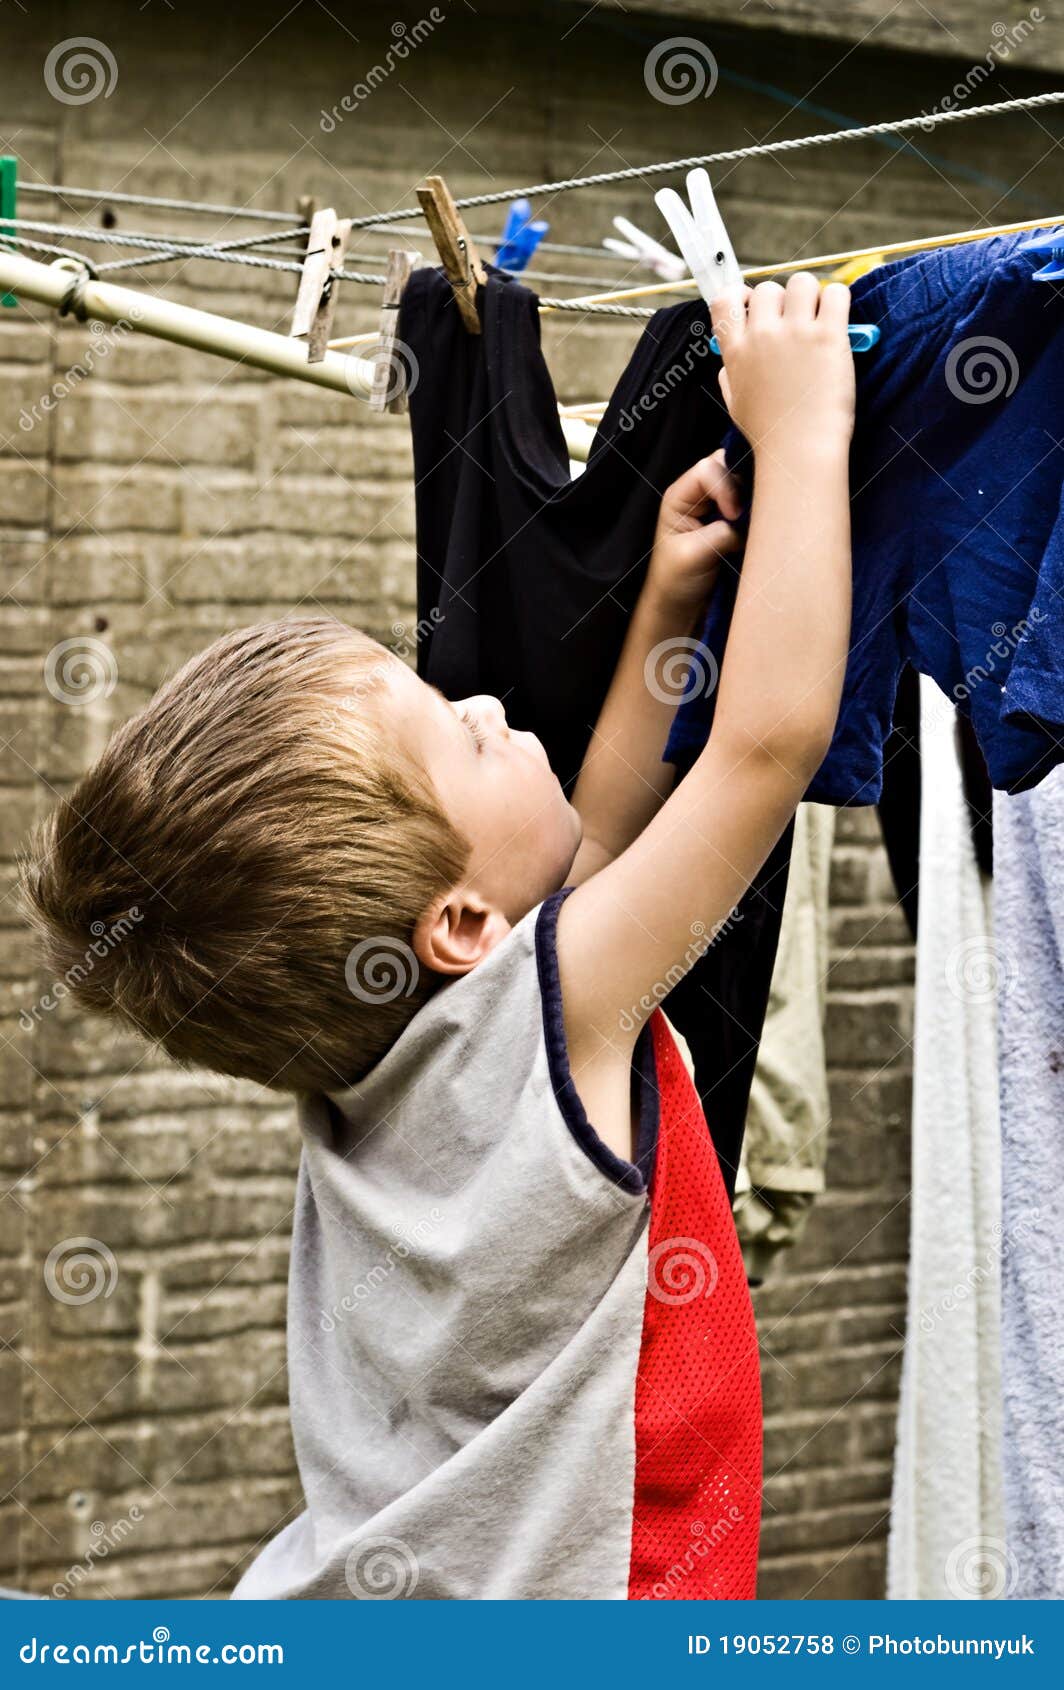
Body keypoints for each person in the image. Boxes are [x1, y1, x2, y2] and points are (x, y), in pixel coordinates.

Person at [22, 276, 854, 1599]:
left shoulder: (381, 1068)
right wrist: (808, 426)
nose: (480, 699)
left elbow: (595, 847)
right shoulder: (548, 1012)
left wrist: (664, 614)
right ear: (460, 923)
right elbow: (765, 748)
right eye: (457, 730)